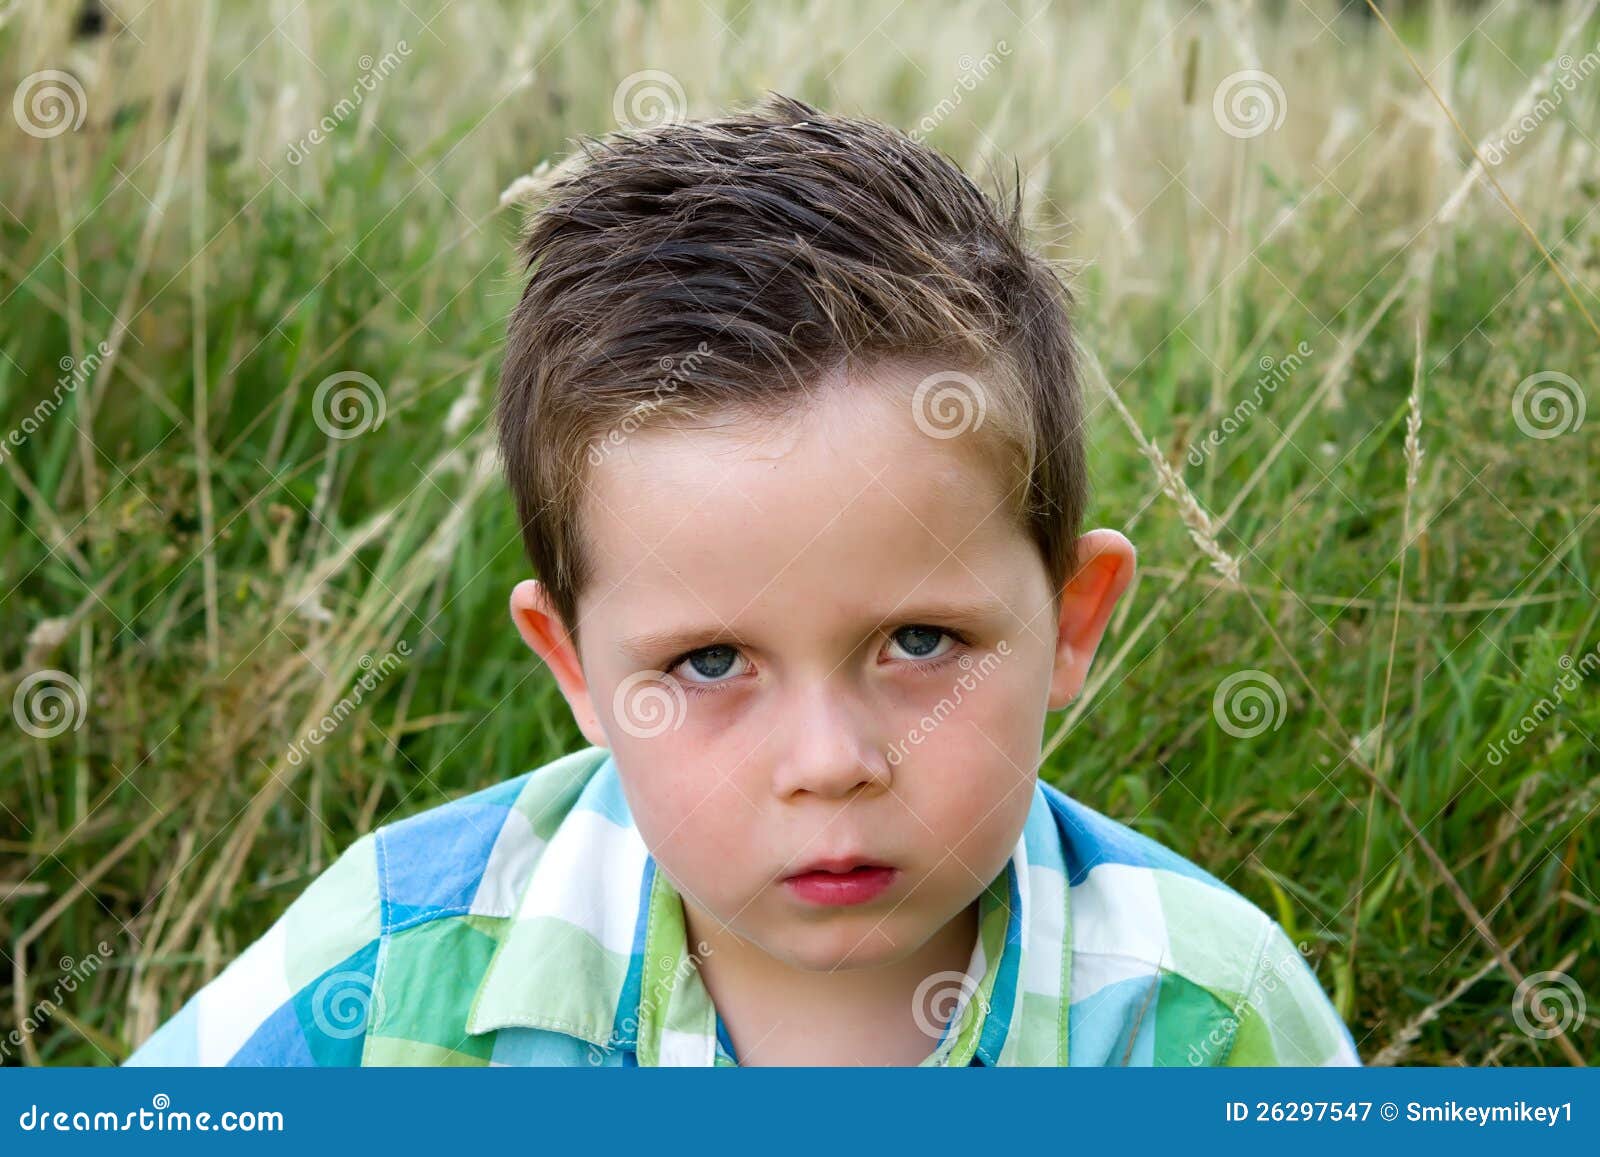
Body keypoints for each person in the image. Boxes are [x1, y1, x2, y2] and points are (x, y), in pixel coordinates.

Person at [127, 93, 1359, 1067]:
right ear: (575, 666)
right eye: (710, 661)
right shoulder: (396, 967)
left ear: (1071, 620)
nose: (829, 761)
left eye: (919, 641)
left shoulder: (1205, 1019)